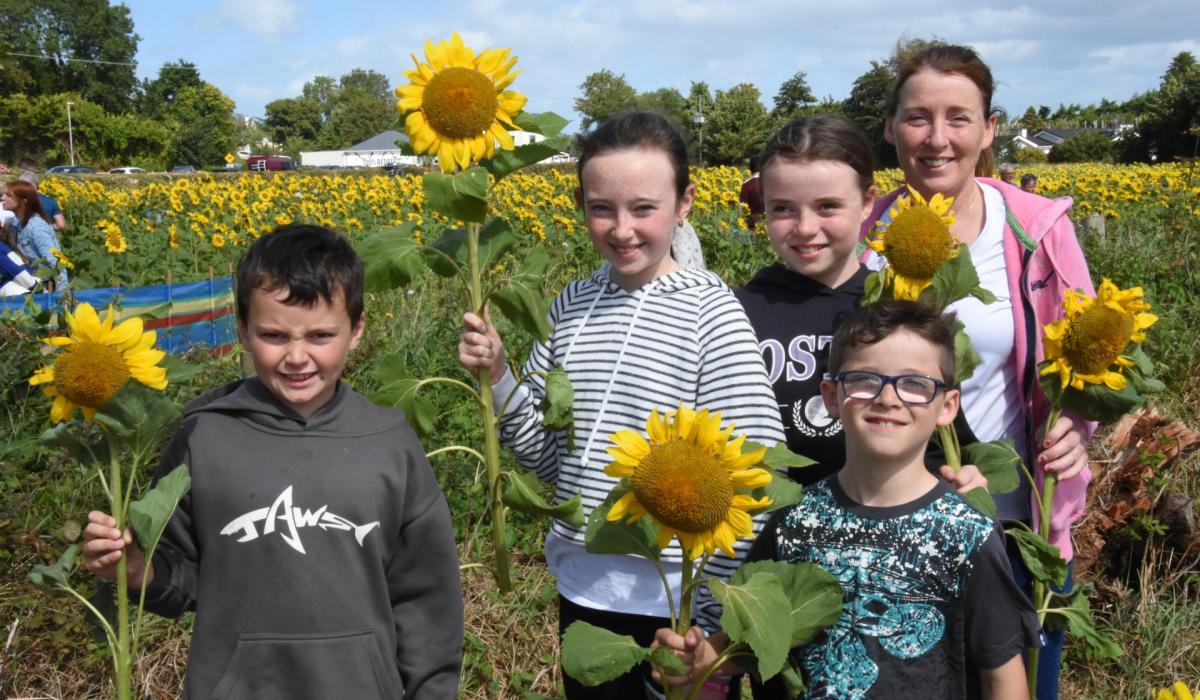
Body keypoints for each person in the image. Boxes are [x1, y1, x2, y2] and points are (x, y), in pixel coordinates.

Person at [459, 111, 785, 699]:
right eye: (601, 208)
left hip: (672, 605)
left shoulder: (709, 313)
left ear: (683, 204)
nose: (622, 228)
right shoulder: (572, 306)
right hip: (583, 588)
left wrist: (706, 621)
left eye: (643, 208)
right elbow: (547, 456)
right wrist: (501, 376)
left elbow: (752, 471)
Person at [82, 224, 463, 699]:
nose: (297, 357)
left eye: (321, 334)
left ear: (357, 331)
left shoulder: (390, 444)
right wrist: (137, 568)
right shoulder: (203, 436)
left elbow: (427, 597)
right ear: (242, 330)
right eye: (273, 335)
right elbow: (179, 574)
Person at [861, 42, 1094, 699]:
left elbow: (1090, 357)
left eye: (959, 118)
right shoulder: (868, 237)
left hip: (1015, 525)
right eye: (918, 118)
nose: (938, 138)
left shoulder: (1032, 229)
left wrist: (1077, 426)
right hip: (896, 532)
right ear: (890, 127)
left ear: (989, 129)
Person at [655, 301, 1038, 700]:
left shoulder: (966, 532)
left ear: (947, 407)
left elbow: (1001, 674)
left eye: (914, 384)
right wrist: (701, 655)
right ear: (832, 396)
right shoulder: (794, 523)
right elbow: (756, 640)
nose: (888, 398)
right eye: (865, 380)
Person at [735, 115, 987, 495]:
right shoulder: (735, 313)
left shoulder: (901, 310)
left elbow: (949, 437)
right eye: (783, 209)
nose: (805, 228)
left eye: (828, 207)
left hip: (888, 533)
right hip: (769, 536)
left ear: (868, 201)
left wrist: (969, 473)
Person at [3, 180, 67, 289]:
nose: (2, 198)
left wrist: (62, 296)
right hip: (31, 281)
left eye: (8, 195)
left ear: (23, 201)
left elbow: (55, 264)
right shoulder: (16, 224)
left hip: (45, 287)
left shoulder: (36, 227)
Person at [1, 226, 38, 296]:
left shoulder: (5, 247)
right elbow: (14, 271)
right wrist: (36, 285)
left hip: (22, 287)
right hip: (15, 292)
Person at [739, 157, 764, 230]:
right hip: (768, 226)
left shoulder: (746, 185)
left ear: (750, 169)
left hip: (752, 226)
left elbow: (742, 208)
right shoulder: (770, 183)